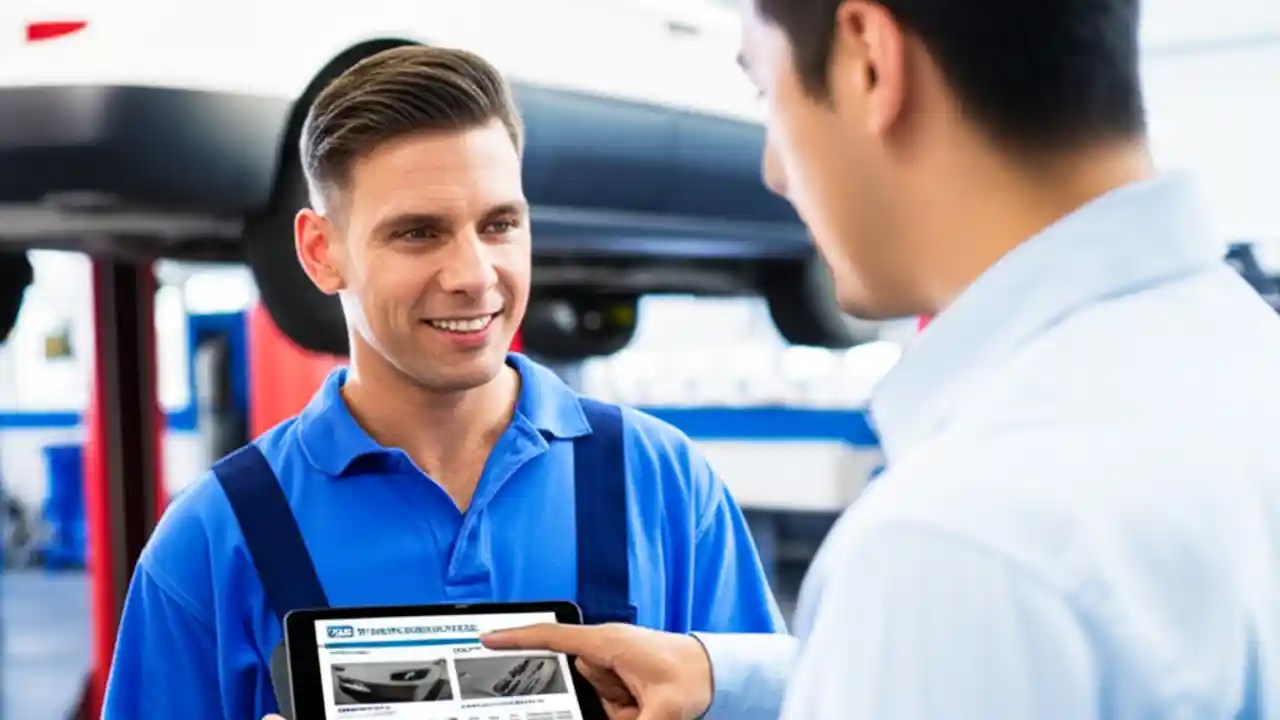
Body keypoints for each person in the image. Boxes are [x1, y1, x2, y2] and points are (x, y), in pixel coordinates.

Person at [482, 0, 1280, 718]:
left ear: (868, 59)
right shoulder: (1241, 363)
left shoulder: (956, 542)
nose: (775, 171)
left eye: (766, 95)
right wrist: (728, 674)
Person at [102, 45, 784, 719]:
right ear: (321, 251)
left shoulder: (661, 485)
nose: (474, 275)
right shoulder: (213, 539)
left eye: (499, 224)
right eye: (419, 233)